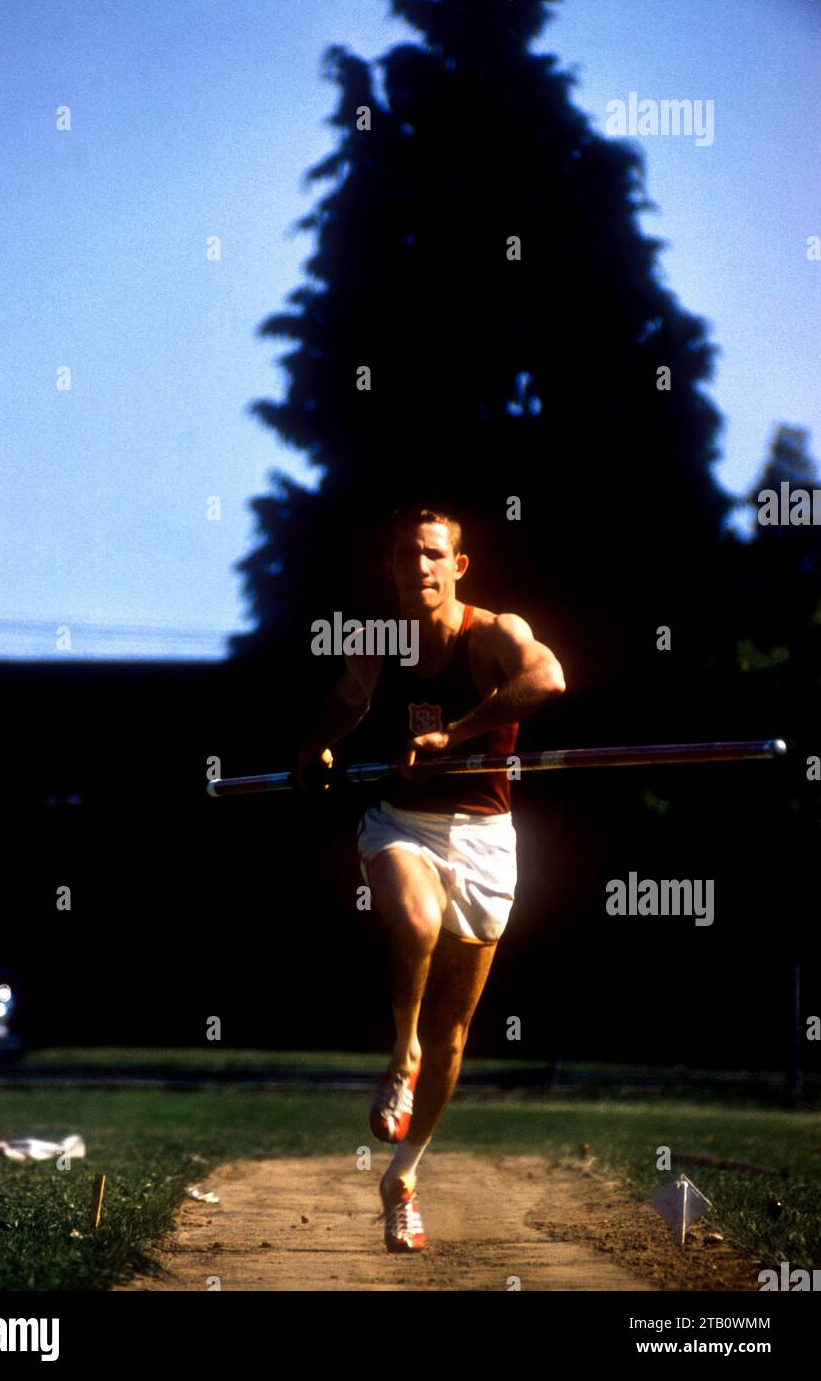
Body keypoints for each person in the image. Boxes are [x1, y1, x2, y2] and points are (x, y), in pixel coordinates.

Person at [294, 504, 566, 1253]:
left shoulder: (496, 633)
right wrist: (316, 748)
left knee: (456, 1030)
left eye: (432, 554)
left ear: (457, 566)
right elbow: (348, 701)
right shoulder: (373, 640)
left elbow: (549, 680)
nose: (419, 566)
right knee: (413, 922)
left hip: (483, 838)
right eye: (405, 554)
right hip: (400, 823)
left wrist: (459, 731)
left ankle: (402, 1179)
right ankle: (398, 1053)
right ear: (388, 567)